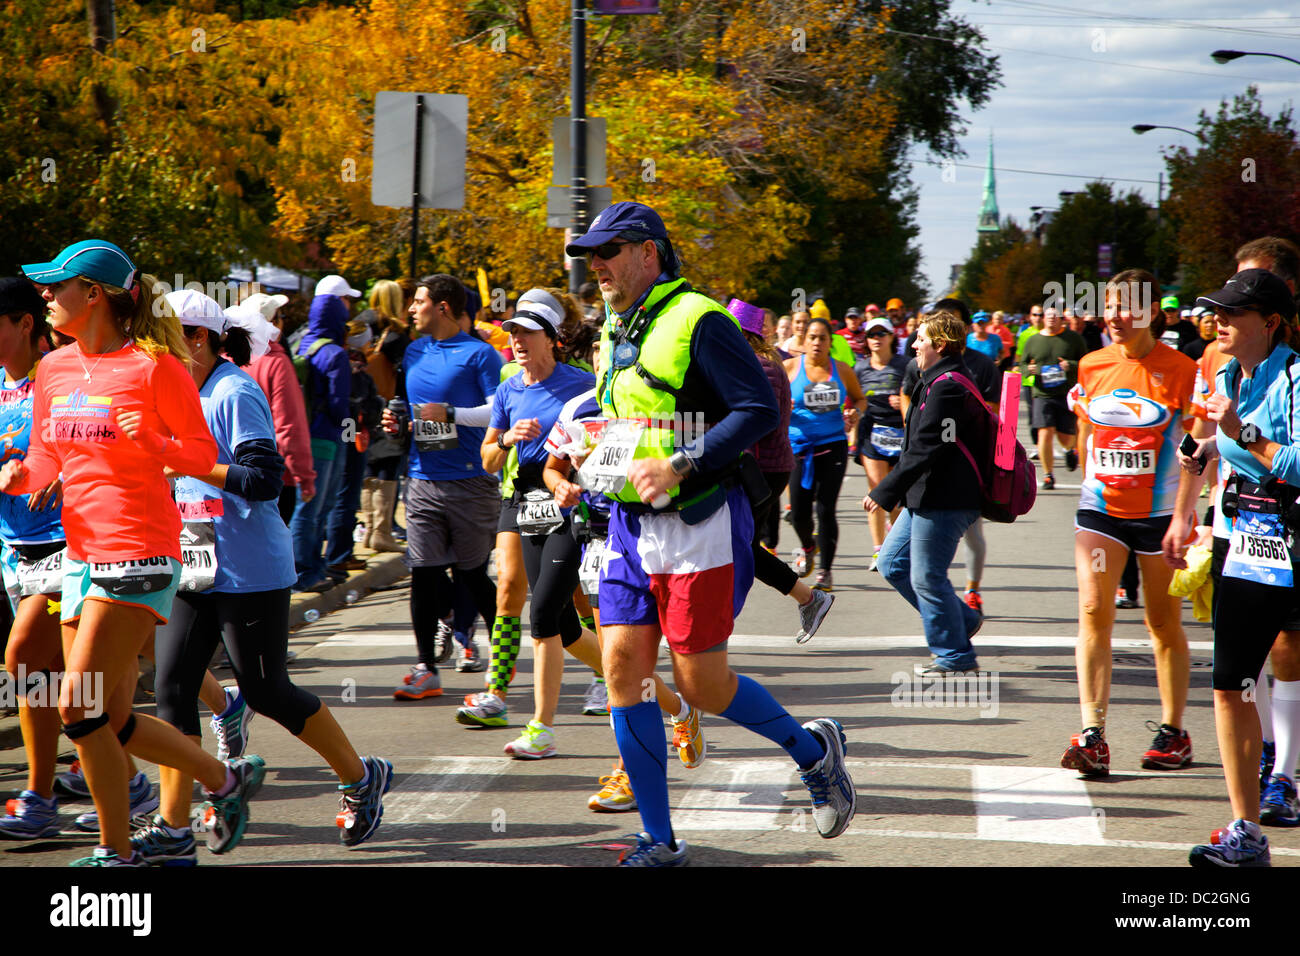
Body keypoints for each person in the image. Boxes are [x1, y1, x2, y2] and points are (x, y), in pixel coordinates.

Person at [567, 200, 855, 866]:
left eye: (608, 252)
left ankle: (814, 753)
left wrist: (679, 462)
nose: (597, 266)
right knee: (623, 673)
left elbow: (754, 411)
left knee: (700, 687)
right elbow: (625, 414)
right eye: (591, 256)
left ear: (650, 252)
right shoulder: (615, 322)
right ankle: (660, 839)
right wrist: (588, 459)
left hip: (698, 524)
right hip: (627, 524)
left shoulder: (701, 319)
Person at [3, 240, 263, 865]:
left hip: (140, 550)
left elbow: (203, 456)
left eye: (55, 286)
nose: (44, 297)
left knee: (76, 704)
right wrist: (14, 476)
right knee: (104, 719)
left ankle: (205, 792)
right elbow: (45, 461)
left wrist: (153, 441)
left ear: (94, 294)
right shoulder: (55, 370)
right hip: (80, 557)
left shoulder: (154, 368)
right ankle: (151, 828)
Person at [141, 290, 391, 864]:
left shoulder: (234, 390)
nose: (154, 351)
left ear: (197, 338)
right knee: (173, 687)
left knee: (266, 691)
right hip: (192, 562)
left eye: (164, 339)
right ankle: (173, 824)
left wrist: (187, 464)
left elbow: (263, 477)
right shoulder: (175, 392)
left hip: (249, 568)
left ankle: (360, 777)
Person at [1168, 270, 1300, 866]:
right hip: (1247, 542)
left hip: (1296, 541)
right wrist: (1207, 449)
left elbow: (1296, 462)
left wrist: (1236, 432)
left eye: (1232, 313)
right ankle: (1246, 831)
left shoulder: (1296, 377)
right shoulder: (1224, 373)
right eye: (1214, 312)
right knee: (1230, 685)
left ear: (1270, 323)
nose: (1217, 322)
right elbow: (1234, 443)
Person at [1062, 268, 1197, 779]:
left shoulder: (1182, 370)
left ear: (1152, 315)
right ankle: (1092, 735)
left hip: (1160, 514)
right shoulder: (1092, 363)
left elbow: (1194, 452)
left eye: (1127, 307)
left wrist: (1183, 516)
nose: (1114, 317)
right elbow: (1086, 431)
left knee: (1162, 622)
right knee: (1095, 608)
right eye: (1110, 305)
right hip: (1100, 508)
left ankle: (1173, 731)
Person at [479, 290, 600, 758]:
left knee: (545, 609)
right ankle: (622, 676)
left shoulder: (581, 385)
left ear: (551, 339)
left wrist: (576, 474)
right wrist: (508, 438)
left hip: (571, 494)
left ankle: (540, 728)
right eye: (512, 333)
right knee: (561, 623)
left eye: (527, 333)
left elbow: (601, 436)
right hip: (524, 496)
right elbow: (488, 460)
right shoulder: (509, 388)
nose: (517, 341)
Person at [382, 275, 502, 700]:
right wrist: (396, 421)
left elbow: (497, 413)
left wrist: (449, 413)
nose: (411, 309)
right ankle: (425, 669)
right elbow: (407, 407)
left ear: (444, 307)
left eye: (419, 301)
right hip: (421, 477)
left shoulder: (481, 355)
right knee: (424, 572)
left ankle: (502, 663)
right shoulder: (414, 351)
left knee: (472, 576)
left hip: (471, 481)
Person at [865, 310, 989, 675]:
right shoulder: (934, 378)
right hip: (927, 493)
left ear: (940, 344)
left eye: (920, 339)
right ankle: (962, 621)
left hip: (947, 497)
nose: (914, 345)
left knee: (926, 577)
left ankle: (954, 656)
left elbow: (928, 446)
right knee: (892, 564)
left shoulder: (948, 384)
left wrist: (885, 490)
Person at [0, 276, 70, 839]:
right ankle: (119, 785)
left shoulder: (61, 374)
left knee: (23, 657)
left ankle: (40, 794)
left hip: (69, 545)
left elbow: (100, 445)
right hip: (15, 550)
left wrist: (55, 470)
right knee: (54, 678)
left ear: (25, 323)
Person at [730, 298, 834, 641]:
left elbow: (758, 419)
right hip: (756, 467)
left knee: (736, 546)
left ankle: (716, 628)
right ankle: (808, 598)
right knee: (739, 545)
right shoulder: (754, 362)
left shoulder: (765, 367)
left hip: (763, 469)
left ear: (742, 333)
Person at [784, 316, 865, 591]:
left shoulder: (842, 370)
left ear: (831, 342)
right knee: (798, 513)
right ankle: (808, 547)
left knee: (826, 509)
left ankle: (825, 572)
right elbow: (771, 404)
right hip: (798, 449)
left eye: (823, 338)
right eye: (813, 337)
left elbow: (860, 398)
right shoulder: (789, 368)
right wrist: (784, 406)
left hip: (833, 446)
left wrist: (855, 413)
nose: (817, 342)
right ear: (804, 341)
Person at [289, 274, 358, 591]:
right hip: (328, 439)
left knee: (308, 507)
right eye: (346, 302)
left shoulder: (302, 342)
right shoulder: (335, 354)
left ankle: (310, 569)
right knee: (316, 508)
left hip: (304, 434)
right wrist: (355, 433)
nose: (350, 307)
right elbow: (339, 404)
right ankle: (306, 572)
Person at [242, 292, 316, 526]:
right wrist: (304, 477)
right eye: (281, 316)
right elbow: (289, 426)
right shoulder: (276, 363)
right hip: (272, 477)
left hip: (227, 474)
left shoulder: (225, 359)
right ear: (272, 324)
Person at [324, 318, 384, 577]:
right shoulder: (355, 369)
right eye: (370, 342)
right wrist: (372, 411)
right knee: (346, 496)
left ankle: (337, 554)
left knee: (340, 495)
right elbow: (359, 406)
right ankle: (338, 556)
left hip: (339, 434)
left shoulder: (334, 359)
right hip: (350, 437)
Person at [854, 316, 909, 571]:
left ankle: (893, 541)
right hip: (872, 433)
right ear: (866, 340)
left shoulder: (905, 365)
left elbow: (920, 395)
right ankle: (879, 550)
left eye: (881, 334)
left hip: (901, 433)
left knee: (896, 497)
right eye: (872, 335)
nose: (876, 338)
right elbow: (853, 399)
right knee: (877, 491)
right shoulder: (859, 368)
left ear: (891, 337)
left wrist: (904, 403)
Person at [361, 279, 410, 552]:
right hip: (391, 405)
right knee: (389, 464)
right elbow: (404, 371)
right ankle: (381, 533)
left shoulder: (361, 325)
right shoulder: (396, 333)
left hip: (365, 405)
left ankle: (370, 531)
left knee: (370, 465)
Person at [1020, 303, 1085, 490]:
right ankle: (1048, 475)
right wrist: (1028, 370)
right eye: (1047, 316)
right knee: (1044, 432)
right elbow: (1022, 364)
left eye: (1055, 316)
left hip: (1066, 394)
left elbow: (1085, 361)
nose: (1050, 318)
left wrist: (1070, 365)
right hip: (1042, 394)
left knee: (1066, 436)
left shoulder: (1073, 339)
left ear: (1062, 319)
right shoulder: (1033, 340)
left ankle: (1069, 450)